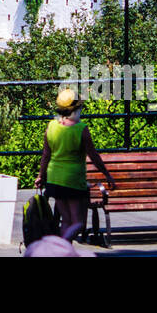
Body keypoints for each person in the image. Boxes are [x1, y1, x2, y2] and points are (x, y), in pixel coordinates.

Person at [35, 88, 115, 240]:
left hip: (54, 178)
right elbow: (94, 156)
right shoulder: (81, 129)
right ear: (77, 109)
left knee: (66, 220)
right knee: (78, 223)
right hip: (73, 180)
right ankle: (61, 246)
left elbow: (46, 155)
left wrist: (41, 176)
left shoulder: (51, 126)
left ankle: (63, 253)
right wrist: (107, 175)